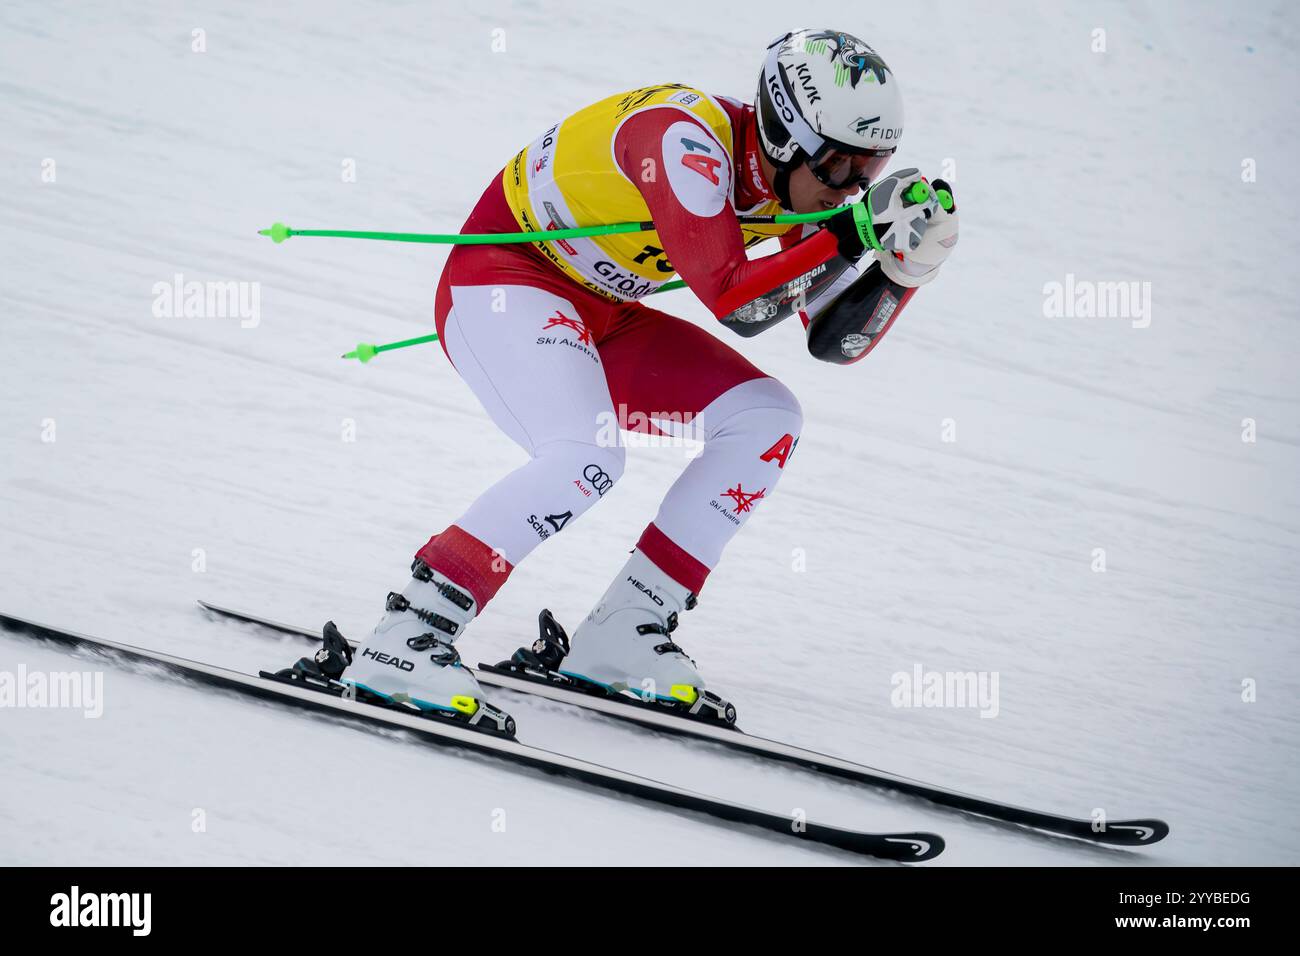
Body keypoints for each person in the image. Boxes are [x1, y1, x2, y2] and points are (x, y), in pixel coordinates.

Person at [340, 28, 959, 723]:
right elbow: (738, 301)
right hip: (503, 288)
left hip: (602, 314)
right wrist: (850, 233)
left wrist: (905, 269)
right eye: (842, 168)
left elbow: (830, 338)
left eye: (871, 172)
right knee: (587, 455)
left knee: (767, 419)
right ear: (786, 136)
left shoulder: (796, 184)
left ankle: (623, 630)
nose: (852, 188)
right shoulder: (685, 141)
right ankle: (408, 634)